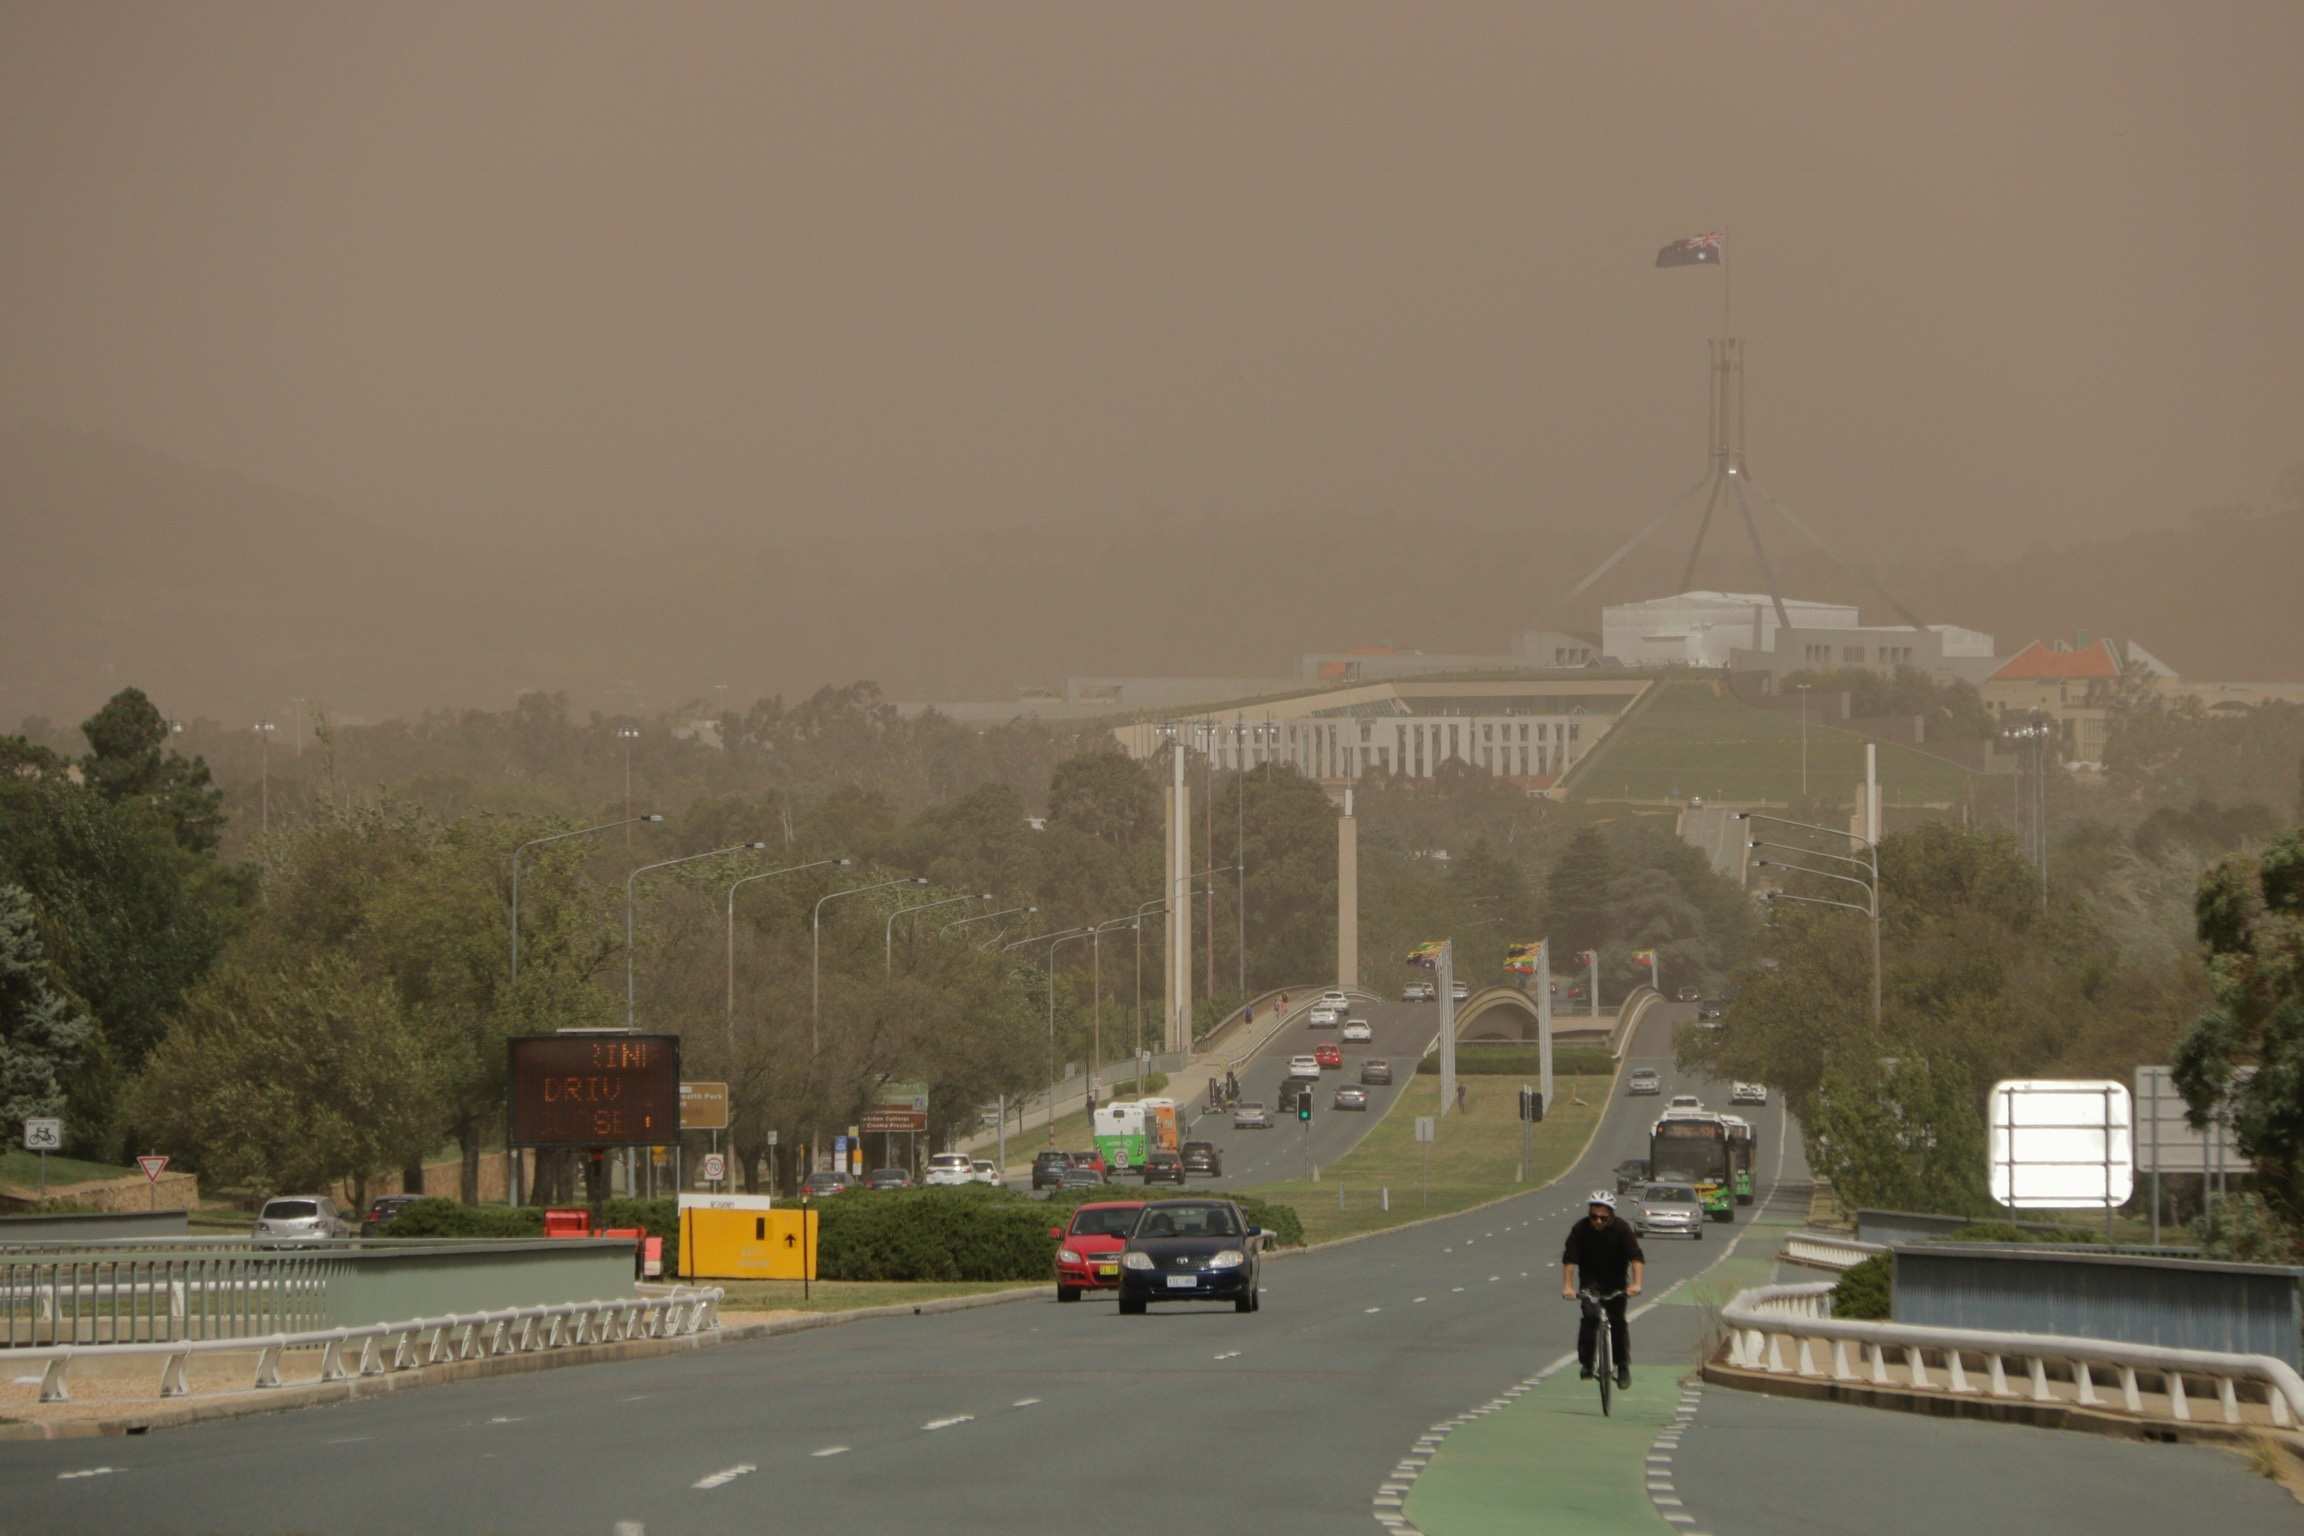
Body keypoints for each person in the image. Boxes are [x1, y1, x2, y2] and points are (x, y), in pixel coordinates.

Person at [1560, 1190, 1644, 1389]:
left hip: (1616, 1282)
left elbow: (1636, 1258)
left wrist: (1636, 1284)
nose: (1597, 1221)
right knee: (1590, 1317)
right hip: (1591, 1282)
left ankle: (1622, 1366)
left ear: (1611, 1215)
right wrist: (1568, 1286)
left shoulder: (1622, 1229)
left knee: (1618, 1322)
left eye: (1602, 1218)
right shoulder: (1580, 1229)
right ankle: (1587, 1363)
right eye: (1593, 1217)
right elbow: (1570, 1261)